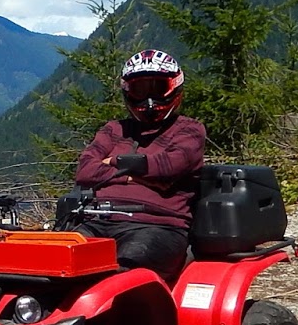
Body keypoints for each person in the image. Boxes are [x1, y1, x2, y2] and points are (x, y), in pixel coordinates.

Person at [72, 49, 206, 284]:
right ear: (128, 92)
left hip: (157, 226)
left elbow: (167, 168)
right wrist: (135, 175)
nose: (149, 100)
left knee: (119, 276)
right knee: (51, 265)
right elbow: (85, 171)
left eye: (157, 89)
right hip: (96, 221)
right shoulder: (114, 129)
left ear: (174, 87)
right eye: (140, 91)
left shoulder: (190, 129)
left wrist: (112, 162)